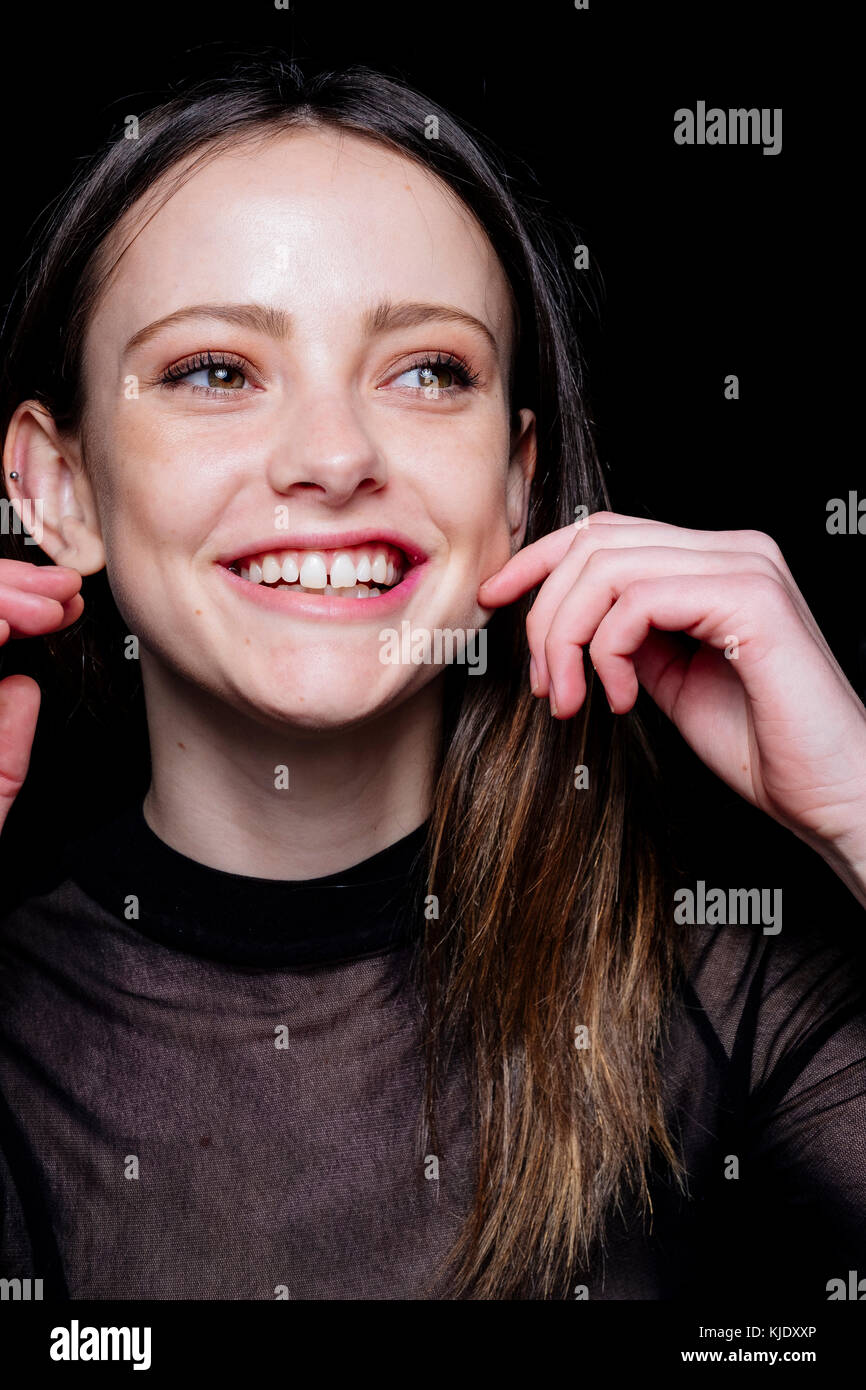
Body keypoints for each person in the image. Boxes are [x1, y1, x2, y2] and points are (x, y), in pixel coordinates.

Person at [0, 57, 864, 1301]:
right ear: (57, 489)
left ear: (514, 490)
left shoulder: (715, 993)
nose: (334, 454)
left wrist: (855, 814)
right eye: (213, 371)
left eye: (426, 372)